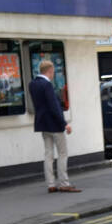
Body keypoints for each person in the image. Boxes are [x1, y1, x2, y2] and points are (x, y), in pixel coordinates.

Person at [29, 61, 79, 193]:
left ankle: (50, 184)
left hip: (43, 124)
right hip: (55, 125)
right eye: (53, 72)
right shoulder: (47, 85)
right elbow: (54, 107)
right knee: (62, 153)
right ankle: (64, 183)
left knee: (48, 154)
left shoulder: (32, 84)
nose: (53, 75)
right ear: (50, 70)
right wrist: (64, 123)